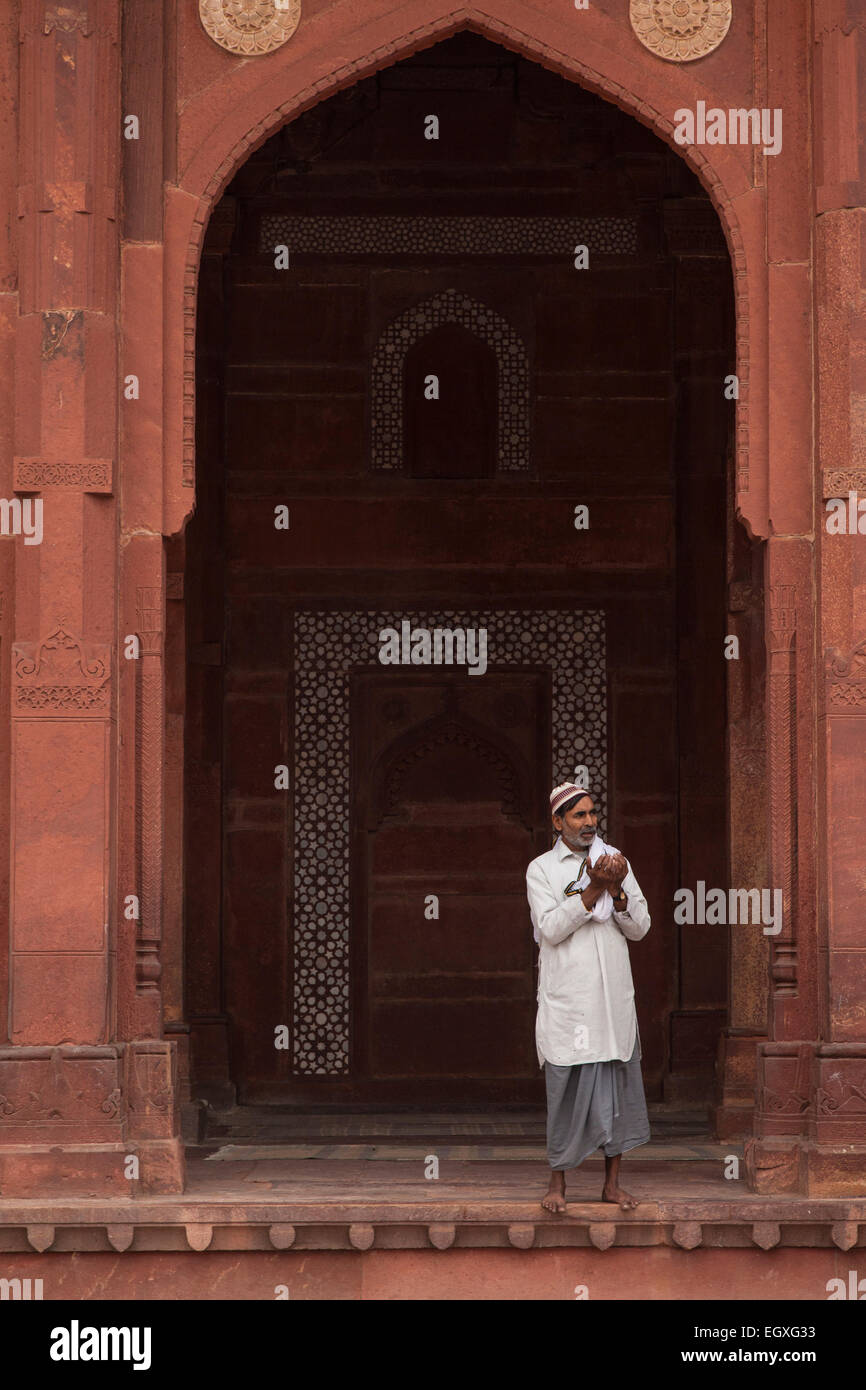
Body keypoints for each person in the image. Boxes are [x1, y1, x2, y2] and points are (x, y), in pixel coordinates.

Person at [526, 783, 651, 1213]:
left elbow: (640, 927)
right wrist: (594, 890)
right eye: (578, 816)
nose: (589, 822)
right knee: (565, 1091)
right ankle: (557, 1184)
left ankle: (612, 1185)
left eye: (592, 813)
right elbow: (551, 929)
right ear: (558, 823)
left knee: (617, 1090)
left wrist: (615, 890)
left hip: (612, 999)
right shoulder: (541, 870)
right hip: (570, 1002)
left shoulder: (616, 862)